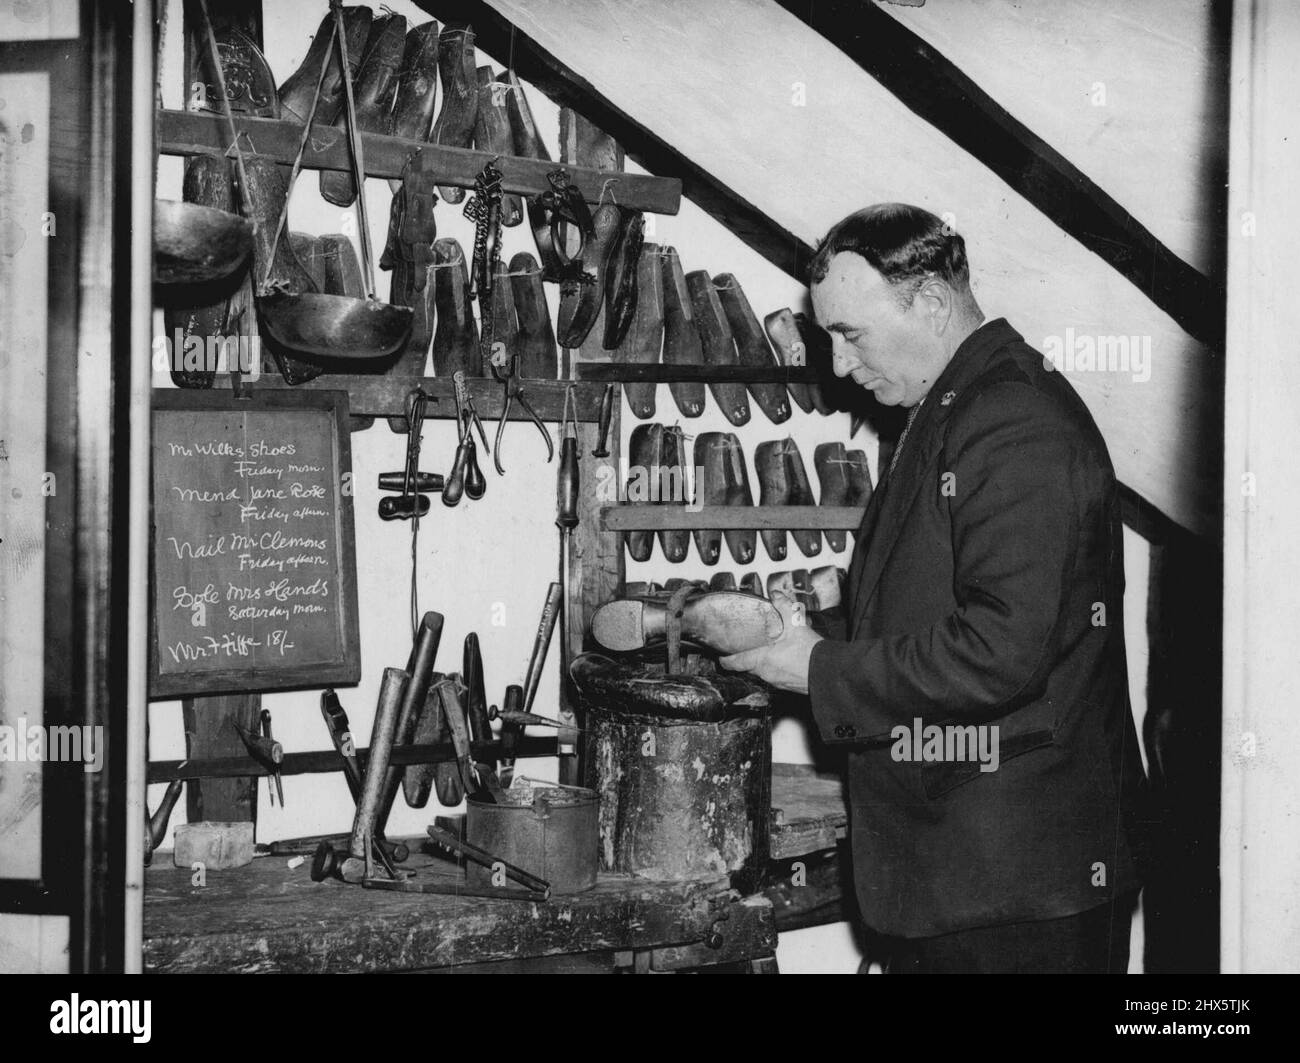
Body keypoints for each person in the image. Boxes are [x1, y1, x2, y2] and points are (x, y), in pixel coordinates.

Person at [721, 203, 1148, 973]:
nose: (840, 365)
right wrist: (810, 624)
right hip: (961, 875)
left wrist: (816, 668)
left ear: (931, 302)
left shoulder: (1016, 419)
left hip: (1017, 889)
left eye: (850, 334)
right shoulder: (948, 407)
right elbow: (926, 605)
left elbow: (1000, 650)